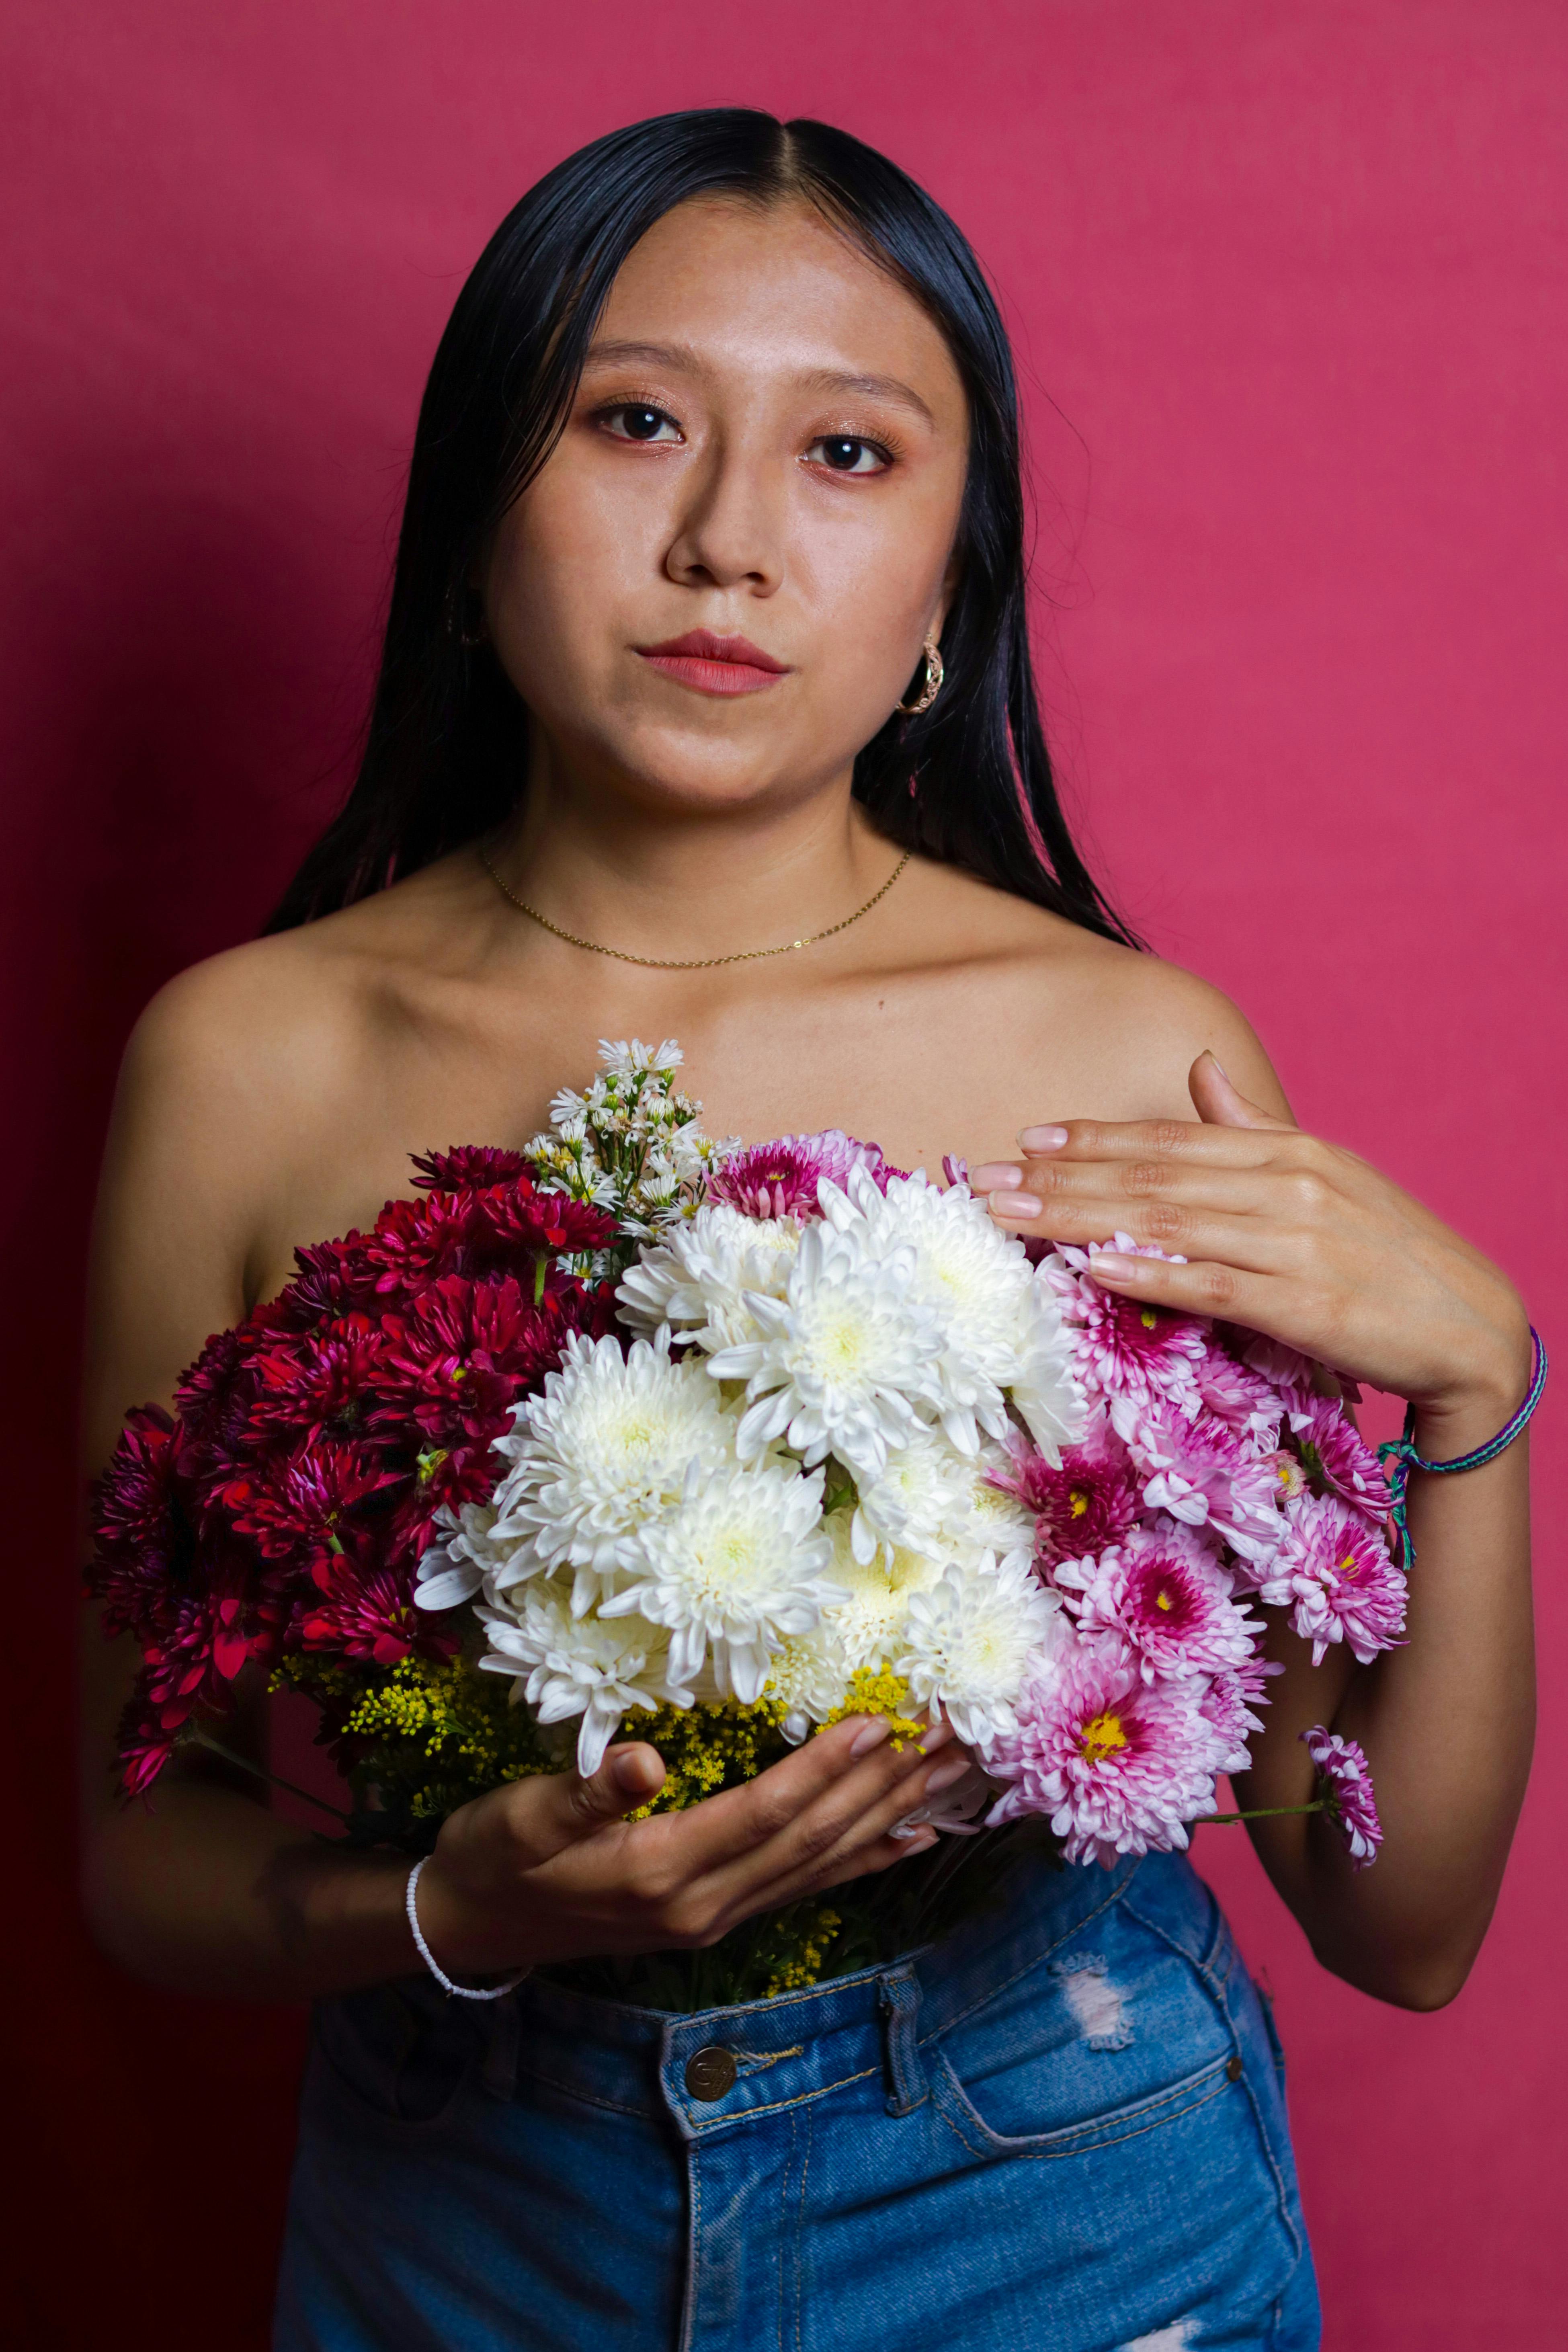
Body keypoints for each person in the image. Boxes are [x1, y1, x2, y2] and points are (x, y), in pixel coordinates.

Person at [79, 111, 1535, 2352]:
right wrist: (454, 1903)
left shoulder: (1123, 1045)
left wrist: (1483, 1391)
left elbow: (1400, 1922)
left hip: (1057, 2192)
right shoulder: (249, 1066)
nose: (729, 541)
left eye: (851, 455)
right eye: (635, 419)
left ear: (957, 580)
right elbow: (141, 1847)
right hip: (462, 2217)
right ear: (478, 510)